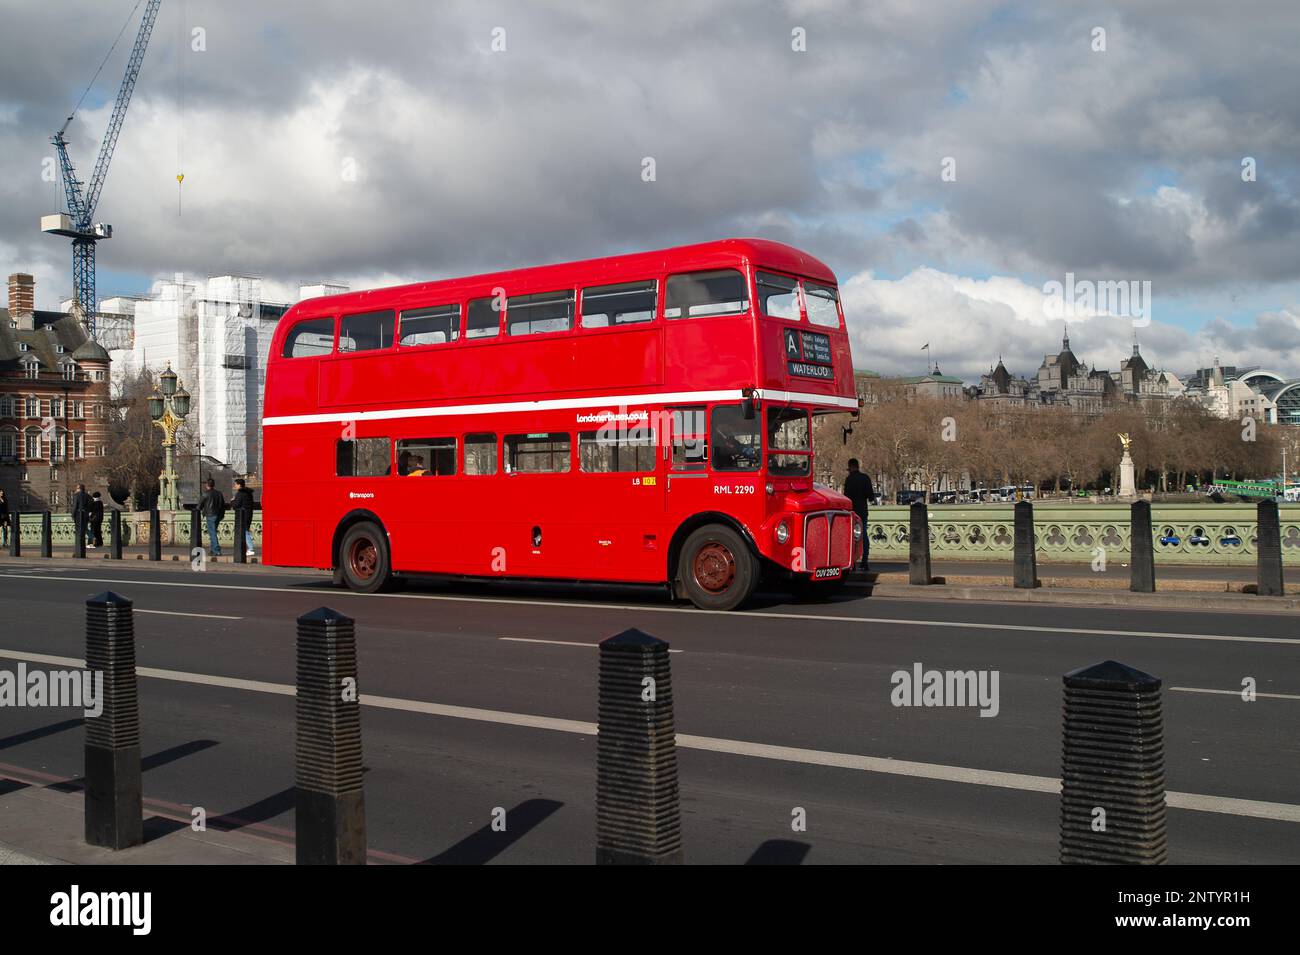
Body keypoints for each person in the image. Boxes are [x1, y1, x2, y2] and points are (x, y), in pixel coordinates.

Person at [843, 459, 875, 570]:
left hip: (852, 512)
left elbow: (846, 497)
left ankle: (853, 562)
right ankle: (865, 560)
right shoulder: (865, 478)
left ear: (850, 467)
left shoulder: (849, 479)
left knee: (852, 537)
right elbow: (871, 497)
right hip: (863, 511)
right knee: (864, 535)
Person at [199, 478, 226, 557]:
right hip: (218, 515)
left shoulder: (205, 494)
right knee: (213, 532)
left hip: (210, 515)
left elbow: (199, 505)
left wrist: (198, 510)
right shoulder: (219, 493)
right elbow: (222, 505)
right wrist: (222, 515)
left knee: (212, 533)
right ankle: (212, 550)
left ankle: (217, 550)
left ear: (207, 485)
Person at [232, 478, 256, 558]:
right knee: (246, 530)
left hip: (243, 514)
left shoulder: (240, 493)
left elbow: (236, 505)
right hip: (249, 513)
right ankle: (248, 546)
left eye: (235, 484)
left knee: (244, 531)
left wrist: (232, 501)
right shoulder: (248, 493)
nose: (234, 486)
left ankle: (251, 549)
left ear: (239, 485)